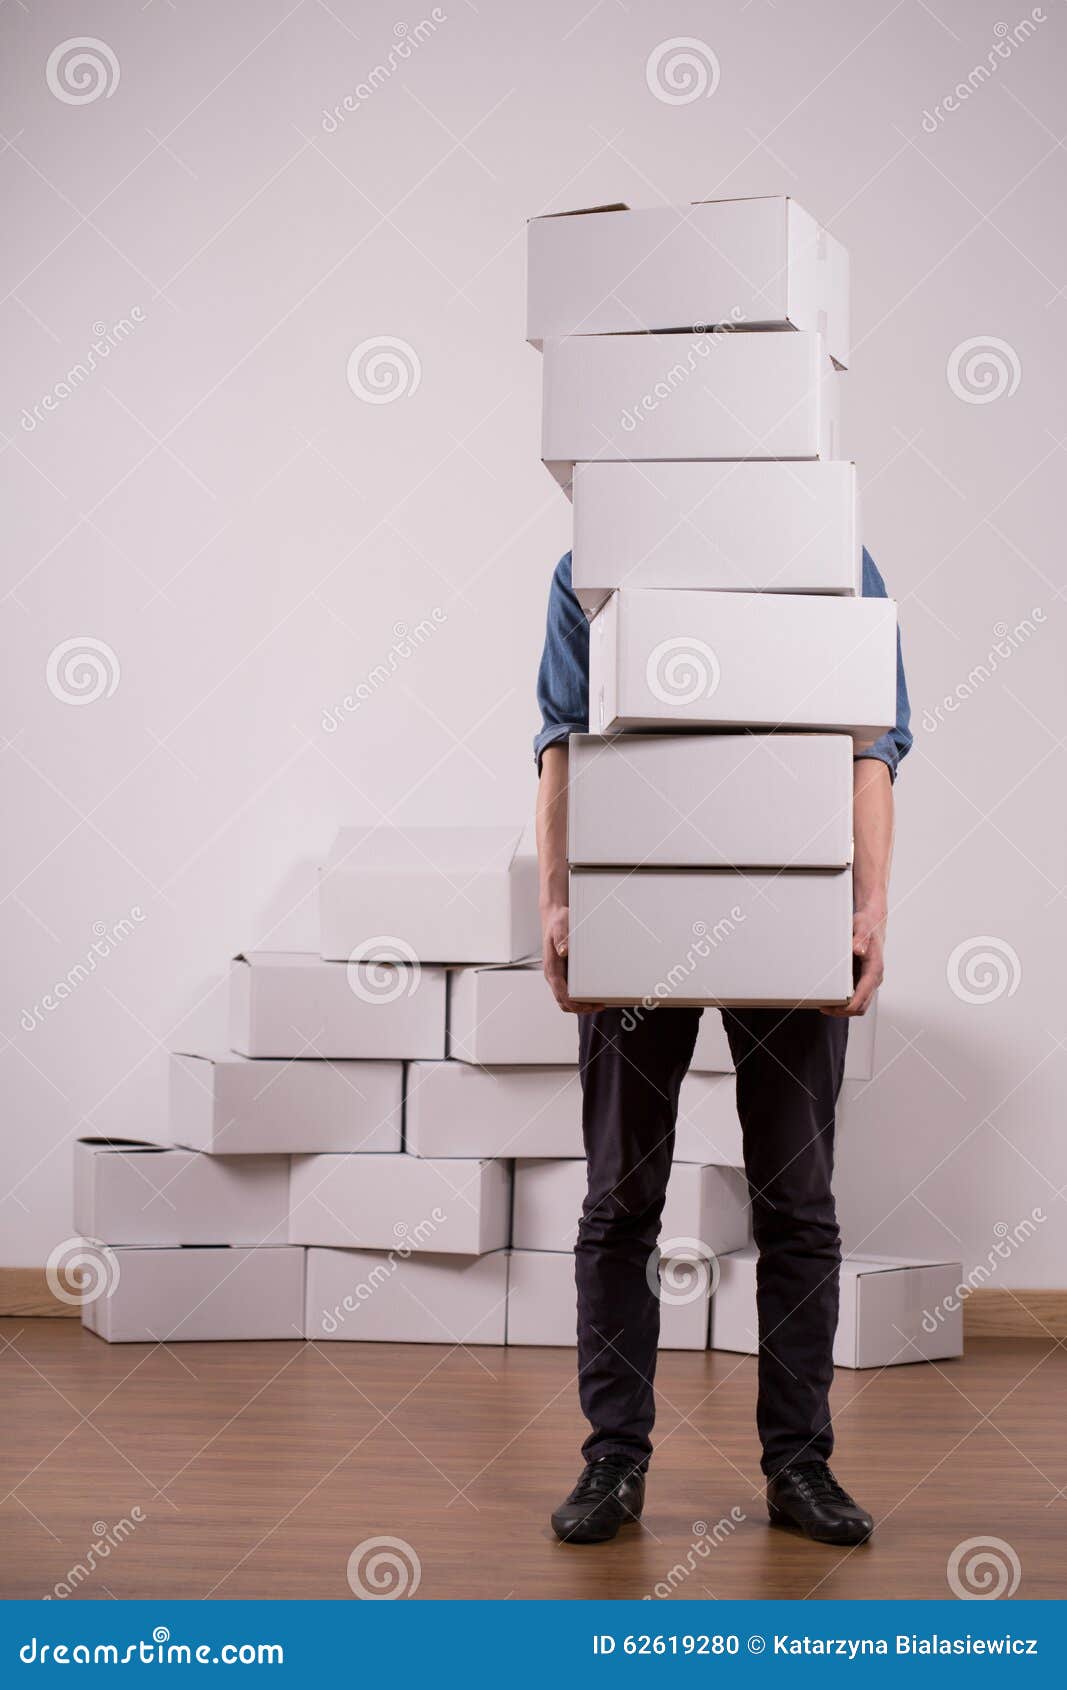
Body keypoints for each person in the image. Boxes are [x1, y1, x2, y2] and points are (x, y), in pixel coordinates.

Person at [533, 547, 912, 1547]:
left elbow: (869, 745)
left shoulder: (831, 559)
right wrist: (560, 899)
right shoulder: (596, 557)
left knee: (796, 1200)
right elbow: (561, 737)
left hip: (786, 901)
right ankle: (611, 1460)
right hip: (637, 892)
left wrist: (866, 906)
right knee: (620, 1195)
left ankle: (799, 1465)